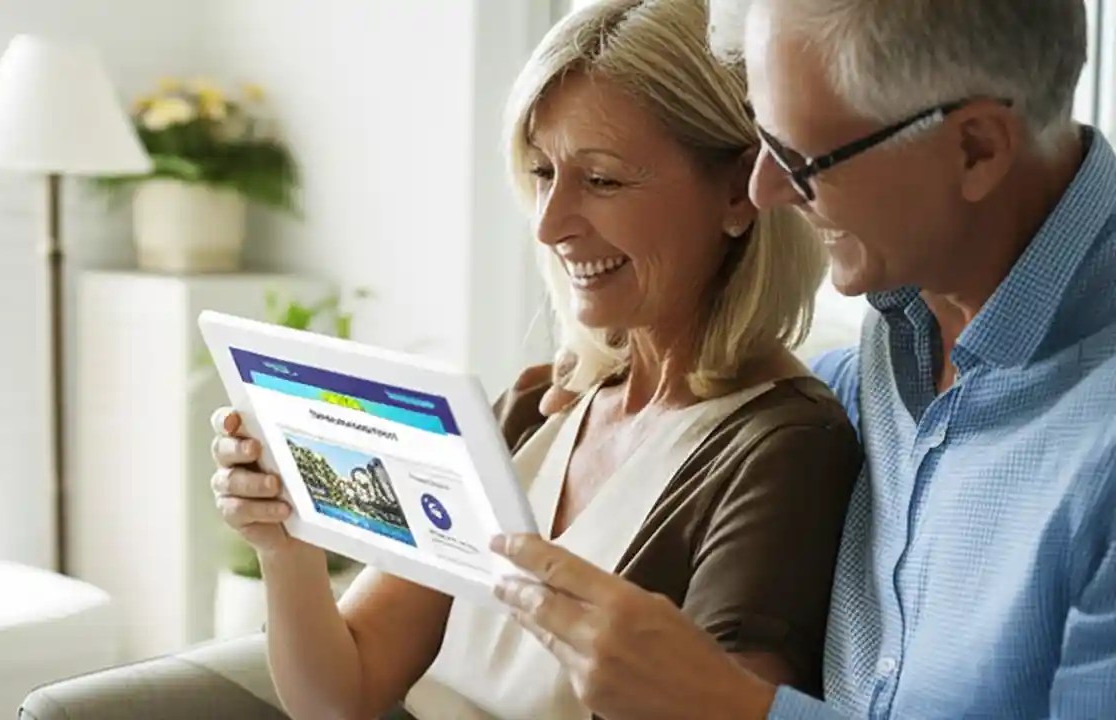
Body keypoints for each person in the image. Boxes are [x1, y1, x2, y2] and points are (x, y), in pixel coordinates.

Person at [210, 0, 861, 718]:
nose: (550, 224)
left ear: (740, 192)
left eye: (603, 179)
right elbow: (343, 693)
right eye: (543, 172)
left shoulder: (786, 449)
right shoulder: (535, 408)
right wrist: (285, 545)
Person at [480, 0, 1116, 718]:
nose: (762, 193)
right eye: (761, 141)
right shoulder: (878, 352)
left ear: (976, 148)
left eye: (802, 160)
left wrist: (729, 707)